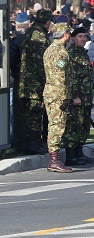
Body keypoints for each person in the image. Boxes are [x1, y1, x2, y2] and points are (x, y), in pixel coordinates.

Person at [14, 8, 53, 154]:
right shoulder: (39, 37)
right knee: (34, 115)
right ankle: (32, 145)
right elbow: (40, 63)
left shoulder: (30, 33)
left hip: (26, 81)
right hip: (34, 84)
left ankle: (28, 143)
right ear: (47, 22)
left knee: (28, 114)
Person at [43, 21, 74, 173]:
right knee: (57, 126)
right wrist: (63, 97)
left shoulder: (49, 49)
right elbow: (60, 75)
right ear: (65, 34)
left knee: (53, 124)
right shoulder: (61, 52)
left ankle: (54, 159)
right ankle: (54, 160)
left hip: (50, 91)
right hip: (57, 93)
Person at [64, 26, 94, 166]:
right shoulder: (71, 53)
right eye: (80, 36)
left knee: (83, 126)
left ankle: (79, 153)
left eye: (84, 36)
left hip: (86, 97)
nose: (83, 39)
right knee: (74, 126)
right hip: (77, 97)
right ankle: (71, 155)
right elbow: (71, 78)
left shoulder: (83, 53)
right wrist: (75, 96)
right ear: (73, 38)